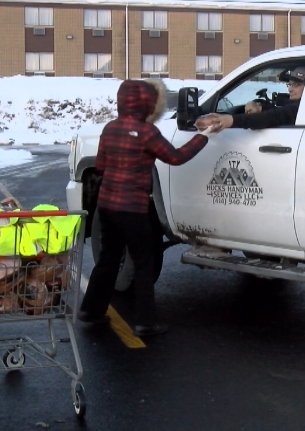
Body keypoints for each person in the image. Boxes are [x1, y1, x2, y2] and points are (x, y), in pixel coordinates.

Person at [77, 80, 209, 337]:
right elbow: (176, 157)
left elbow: (101, 165)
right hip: (133, 209)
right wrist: (203, 137)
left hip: (107, 206)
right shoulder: (147, 133)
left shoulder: (110, 128)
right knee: (143, 263)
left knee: (107, 258)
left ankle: (90, 310)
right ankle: (145, 322)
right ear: (147, 103)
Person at [196, 65, 305, 132]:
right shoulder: (301, 106)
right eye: (290, 84)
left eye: (297, 85)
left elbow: (275, 117)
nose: (290, 89)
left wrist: (230, 120)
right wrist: (260, 108)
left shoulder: (303, 108)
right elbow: (280, 113)